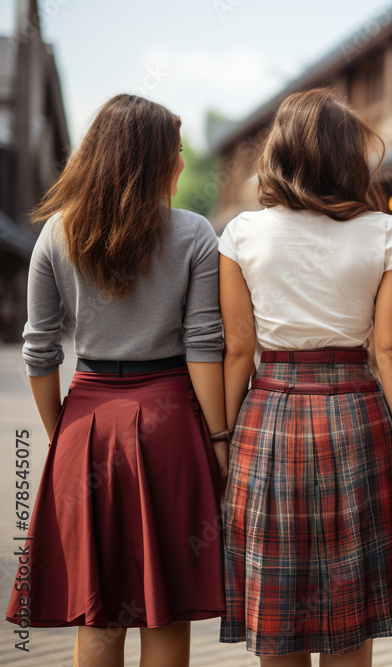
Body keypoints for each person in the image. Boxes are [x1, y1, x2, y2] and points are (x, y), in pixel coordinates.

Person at [5, 94, 227, 667]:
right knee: (165, 608)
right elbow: (204, 345)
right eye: (175, 152)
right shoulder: (195, 233)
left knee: (98, 607)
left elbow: (40, 349)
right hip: (172, 421)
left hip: (85, 419)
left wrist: (63, 431)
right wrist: (219, 438)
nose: (180, 164)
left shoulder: (57, 233)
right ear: (154, 160)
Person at [217, 89, 392, 666]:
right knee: (350, 616)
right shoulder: (384, 231)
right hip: (357, 411)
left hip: (268, 413)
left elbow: (238, 348)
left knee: (277, 612)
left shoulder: (242, 232)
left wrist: (222, 437)